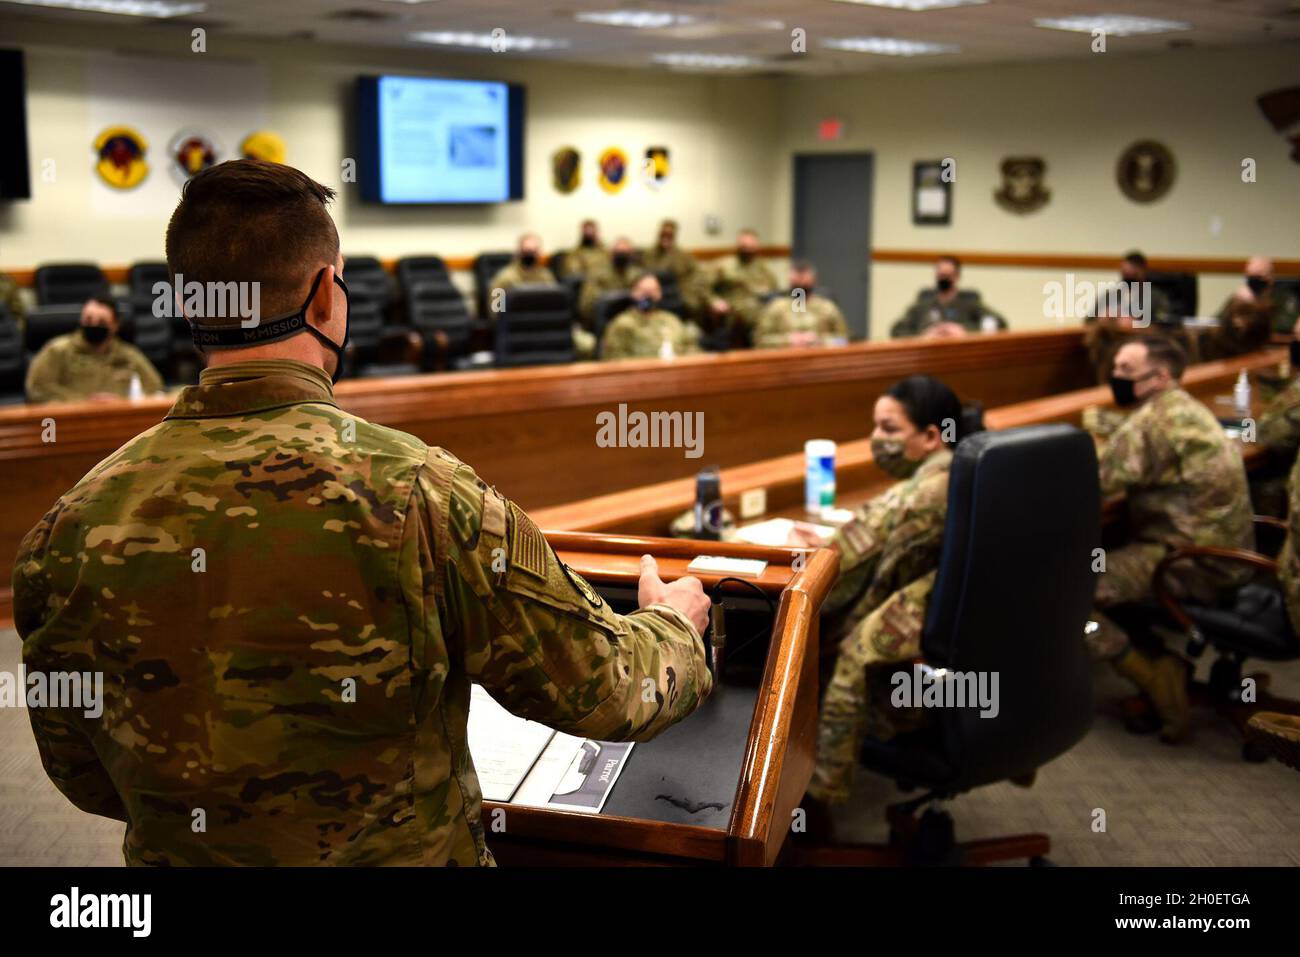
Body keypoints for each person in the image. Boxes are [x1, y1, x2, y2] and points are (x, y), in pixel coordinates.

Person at [12, 159, 713, 867]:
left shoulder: (68, 526)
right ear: (325, 296)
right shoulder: (424, 495)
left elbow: (82, 772)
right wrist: (676, 624)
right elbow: (610, 690)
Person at [796, 375, 962, 806]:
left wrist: (808, 549)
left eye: (889, 429)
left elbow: (835, 565)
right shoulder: (964, 470)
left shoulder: (918, 494)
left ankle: (819, 794)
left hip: (892, 647)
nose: (875, 439)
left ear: (930, 436)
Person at [1084, 337, 1254, 742]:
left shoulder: (1151, 423)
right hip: (1232, 558)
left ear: (1159, 378)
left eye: (1126, 371)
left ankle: (1154, 674)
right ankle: (1157, 657)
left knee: (1064, 593)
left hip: (1189, 564)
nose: (1115, 377)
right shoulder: (1186, 409)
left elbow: (1093, 486)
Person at [24, 296, 163, 403]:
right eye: (88, 320)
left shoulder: (128, 354)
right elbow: (38, 389)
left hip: (117, 421)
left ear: (115, 325)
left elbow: (154, 387)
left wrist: (121, 402)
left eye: (101, 322)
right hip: (69, 422)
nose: (94, 325)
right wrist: (84, 402)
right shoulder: (57, 350)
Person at [1083, 251, 1177, 383]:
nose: (1127, 275)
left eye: (1132, 272)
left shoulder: (1156, 297)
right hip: (1109, 343)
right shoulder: (1111, 295)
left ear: (1142, 271)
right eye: (1124, 272)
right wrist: (1103, 318)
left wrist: (1134, 324)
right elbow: (1088, 321)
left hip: (1139, 344)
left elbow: (1164, 327)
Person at [889, 255, 1007, 339]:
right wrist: (923, 335)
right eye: (941, 275)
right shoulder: (922, 305)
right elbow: (897, 330)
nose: (944, 279)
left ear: (957, 277)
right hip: (926, 356)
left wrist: (965, 331)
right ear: (936, 276)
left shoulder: (970, 303)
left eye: (948, 275)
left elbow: (999, 324)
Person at [1206, 256, 1296, 358]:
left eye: (1259, 276)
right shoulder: (1239, 298)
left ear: (1271, 277)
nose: (1254, 280)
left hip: (1273, 351)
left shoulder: (1283, 297)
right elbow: (1218, 321)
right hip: (1237, 351)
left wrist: (1259, 306)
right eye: (1250, 276)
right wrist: (1237, 304)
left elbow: (1286, 325)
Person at [600, 273, 701, 361]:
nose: (648, 296)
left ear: (660, 294)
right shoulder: (622, 325)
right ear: (633, 293)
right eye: (644, 291)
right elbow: (614, 360)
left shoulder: (672, 320)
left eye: (653, 291)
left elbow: (691, 347)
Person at [752, 260, 849, 348]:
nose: (800, 282)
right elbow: (759, 341)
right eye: (796, 282)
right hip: (784, 361)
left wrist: (820, 341)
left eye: (804, 280)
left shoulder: (828, 308)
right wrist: (788, 340)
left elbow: (844, 340)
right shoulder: (776, 308)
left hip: (820, 360)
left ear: (814, 281)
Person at [706, 228, 779, 336]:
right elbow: (704, 287)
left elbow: (775, 291)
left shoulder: (763, 269)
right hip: (736, 311)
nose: (748, 251)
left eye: (751, 248)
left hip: (762, 307)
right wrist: (714, 301)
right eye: (744, 247)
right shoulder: (724, 266)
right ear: (738, 246)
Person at [642, 219, 707, 318]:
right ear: (659, 234)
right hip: (653, 295)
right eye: (663, 234)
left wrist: (690, 294)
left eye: (669, 235)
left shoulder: (684, 256)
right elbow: (642, 276)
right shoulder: (648, 254)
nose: (666, 238)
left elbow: (698, 275)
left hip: (678, 296)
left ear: (674, 236)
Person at [578, 236, 642, 327]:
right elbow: (586, 306)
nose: (621, 256)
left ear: (631, 254)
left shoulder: (638, 276)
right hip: (604, 322)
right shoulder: (597, 275)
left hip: (633, 323)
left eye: (625, 253)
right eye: (618, 252)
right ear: (611, 253)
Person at [489, 232, 556, 295]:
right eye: (526, 252)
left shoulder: (546, 277)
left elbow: (555, 301)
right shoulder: (505, 278)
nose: (530, 255)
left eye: (533, 252)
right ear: (518, 252)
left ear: (539, 253)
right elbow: (496, 305)